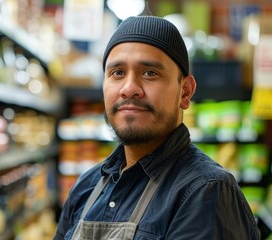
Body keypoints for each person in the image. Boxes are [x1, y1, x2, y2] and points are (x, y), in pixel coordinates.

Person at [54, 16, 260, 240]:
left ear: (185, 92)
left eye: (150, 73)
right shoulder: (86, 186)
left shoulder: (206, 192)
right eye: (117, 73)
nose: (129, 88)